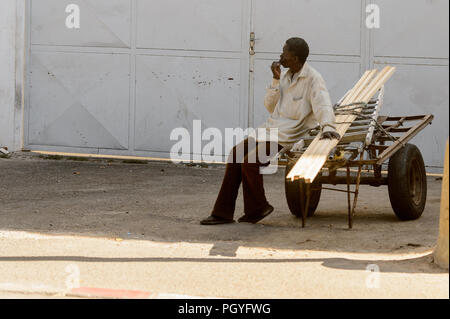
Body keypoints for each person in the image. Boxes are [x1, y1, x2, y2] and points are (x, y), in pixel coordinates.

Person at [200, 37, 340, 225]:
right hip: (271, 127)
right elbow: (269, 105)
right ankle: (222, 213)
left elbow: (323, 104)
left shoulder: (313, 78)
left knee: (251, 161)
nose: (281, 57)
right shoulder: (284, 75)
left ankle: (258, 208)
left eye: (285, 54)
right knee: (235, 154)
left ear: (297, 59)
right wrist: (275, 79)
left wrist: (328, 126)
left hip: (291, 132)